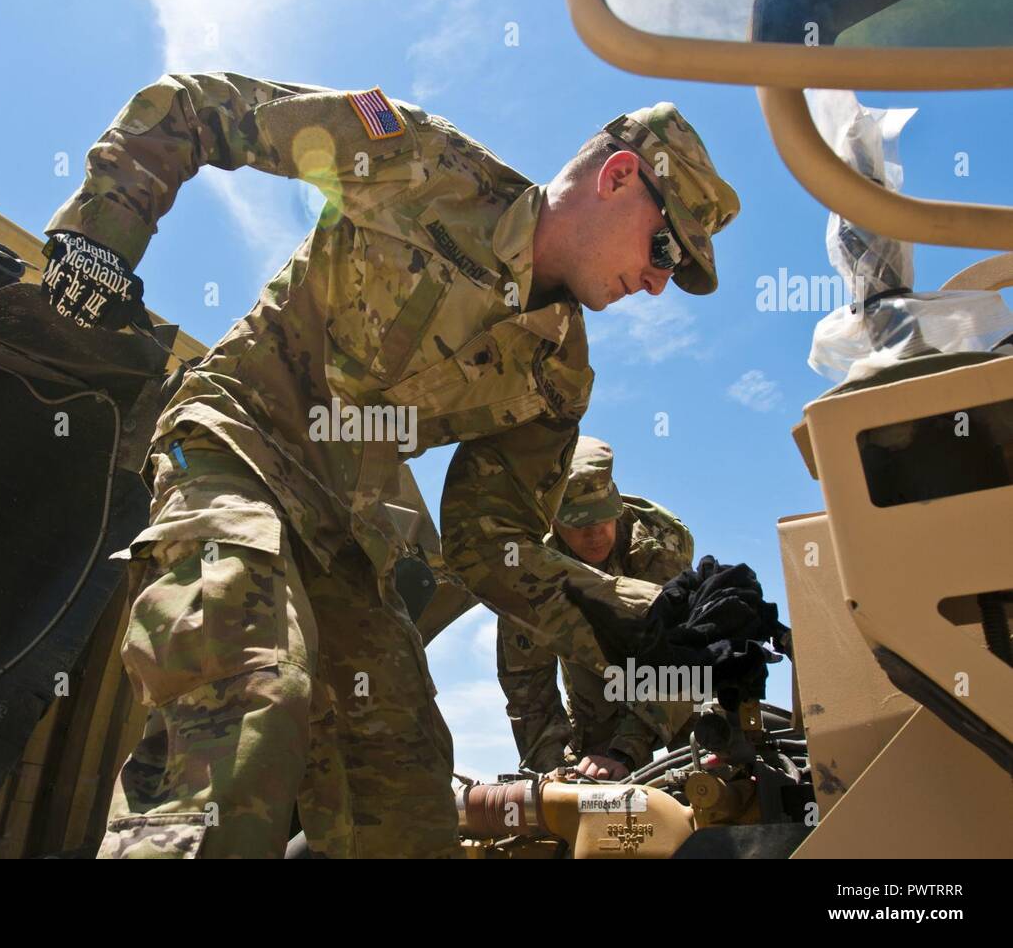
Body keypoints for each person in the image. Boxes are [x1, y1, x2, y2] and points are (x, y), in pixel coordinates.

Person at [41, 72, 739, 857]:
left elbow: (490, 548)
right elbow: (202, 107)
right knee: (248, 689)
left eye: (672, 273)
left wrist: (649, 622)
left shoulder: (557, 377)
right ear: (617, 177)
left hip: (345, 528)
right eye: (664, 246)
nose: (655, 283)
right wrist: (103, 232)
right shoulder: (417, 162)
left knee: (404, 799)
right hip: (232, 444)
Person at [494, 435, 695, 781]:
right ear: (552, 520)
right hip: (595, 700)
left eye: (603, 518)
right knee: (590, 785)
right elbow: (526, 685)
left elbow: (677, 652)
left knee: (703, 754)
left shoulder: (659, 542)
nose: (596, 534)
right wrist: (552, 771)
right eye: (578, 524)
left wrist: (626, 750)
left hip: (674, 685)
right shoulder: (529, 573)